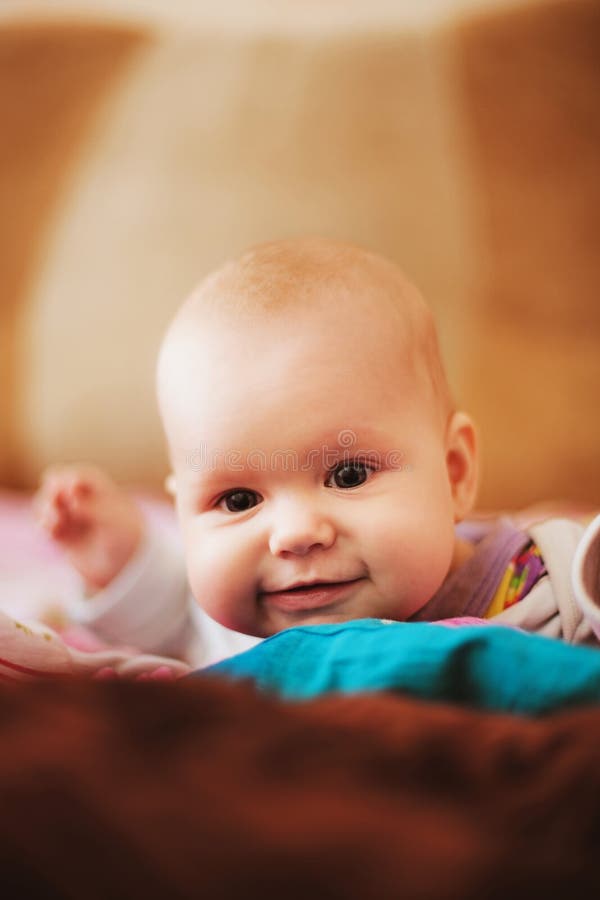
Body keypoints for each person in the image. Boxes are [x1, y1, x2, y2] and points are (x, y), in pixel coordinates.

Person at [34, 238, 600, 667]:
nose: (295, 534)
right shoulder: (246, 626)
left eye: (349, 474)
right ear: (183, 513)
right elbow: (172, 624)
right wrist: (118, 563)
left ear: (454, 473)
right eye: (237, 500)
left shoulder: (548, 583)